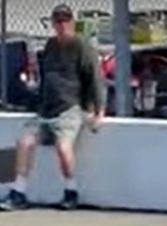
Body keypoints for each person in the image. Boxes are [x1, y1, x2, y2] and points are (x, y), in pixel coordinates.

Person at [0, 5, 101, 212]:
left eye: (65, 21)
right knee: (24, 142)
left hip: (70, 108)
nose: (61, 25)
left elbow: (95, 79)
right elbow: (45, 76)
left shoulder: (82, 47)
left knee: (63, 148)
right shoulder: (50, 45)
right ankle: (18, 192)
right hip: (46, 109)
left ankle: (71, 191)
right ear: (53, 24)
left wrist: (98, 111)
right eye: (57, 21)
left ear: (72, 23)